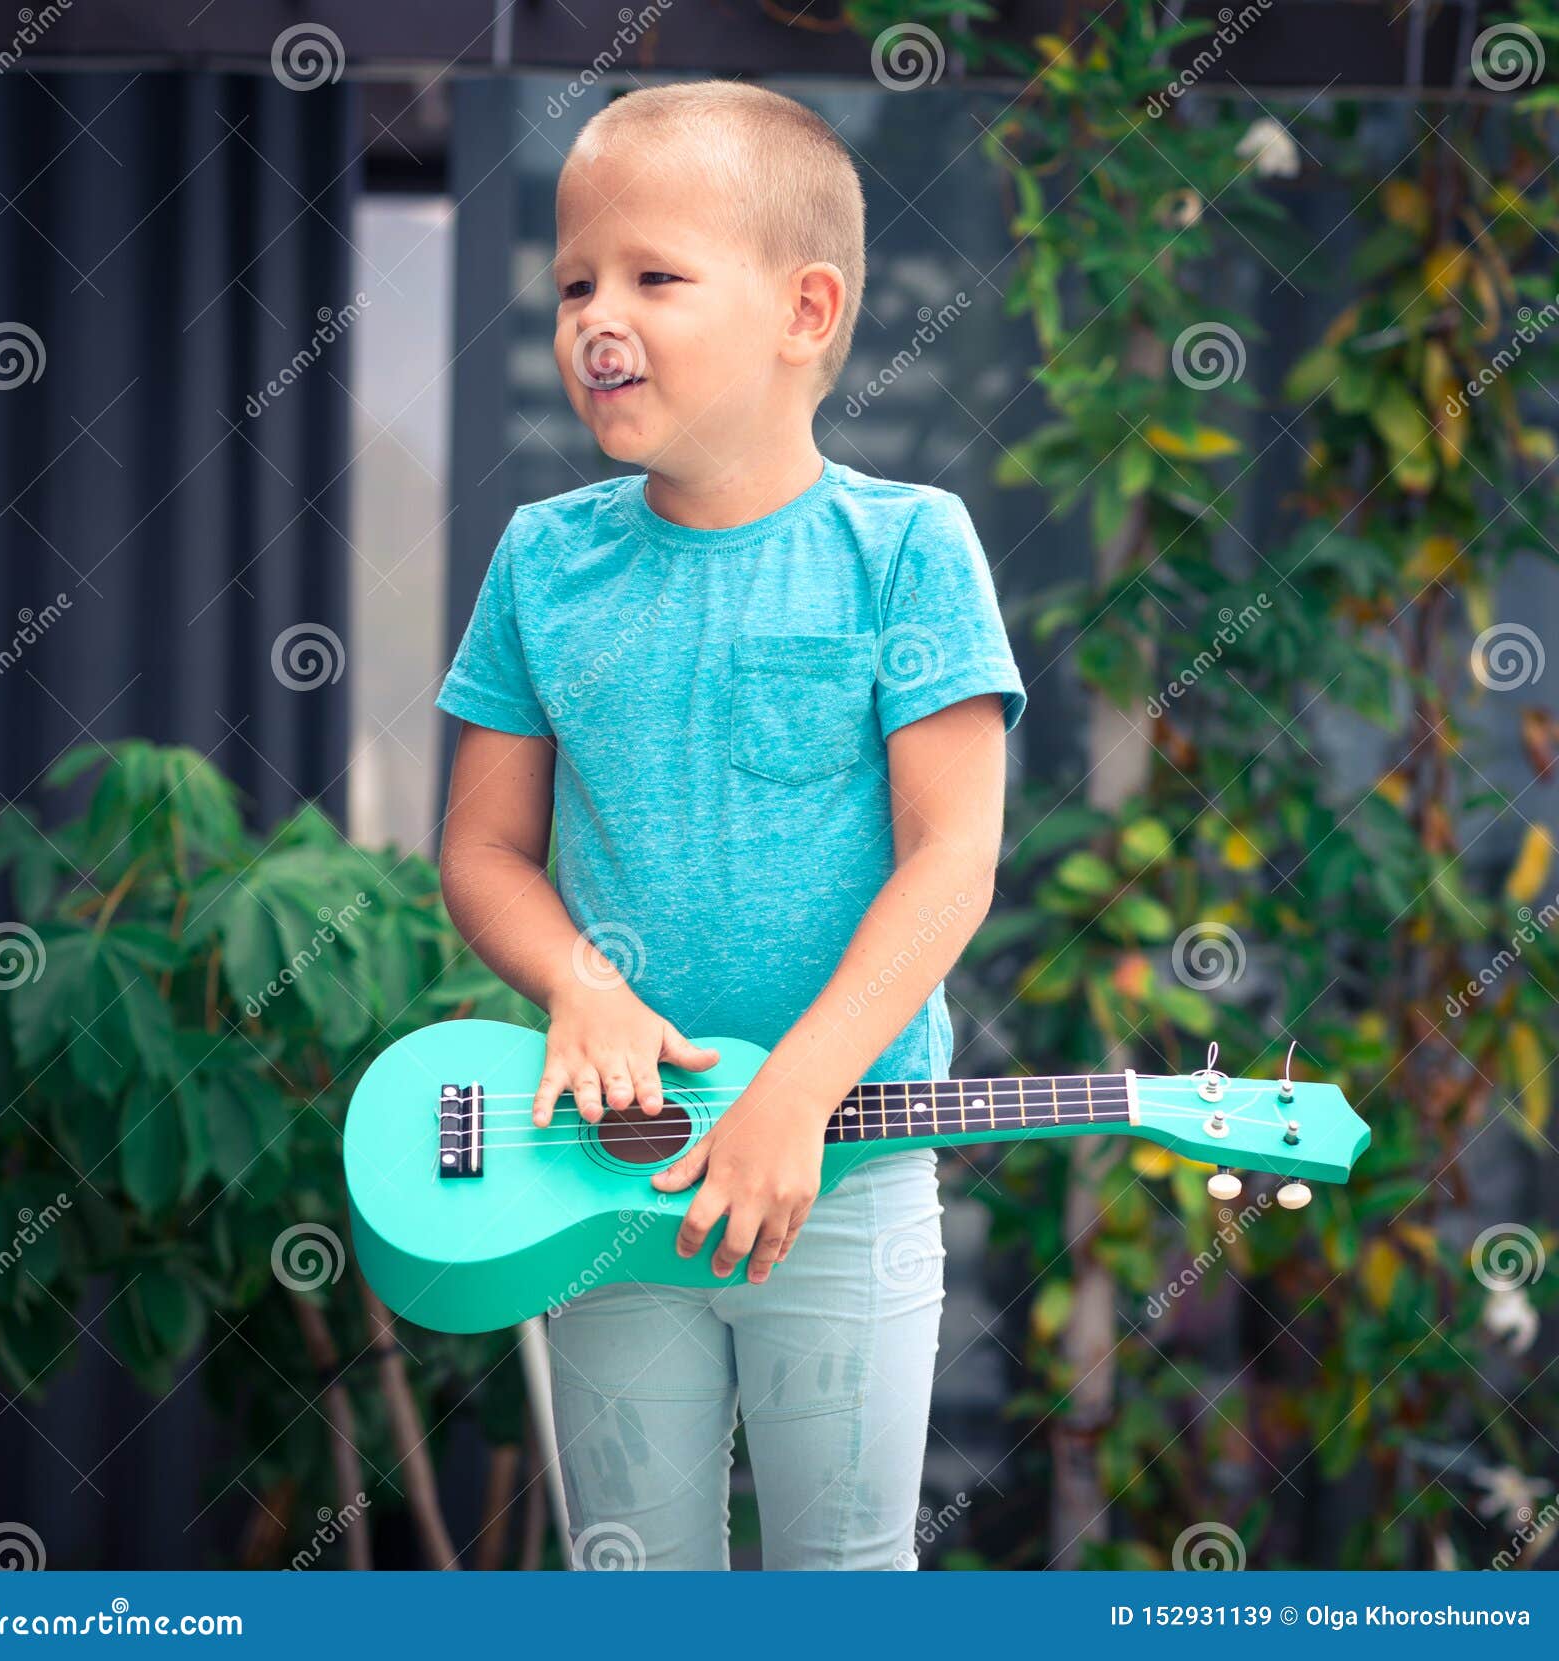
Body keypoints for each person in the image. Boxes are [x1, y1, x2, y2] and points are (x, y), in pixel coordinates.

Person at [434, 80, 1026, 1570]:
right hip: (605, 1169)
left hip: (848, 1166)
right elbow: (483, 850)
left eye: (653, 277)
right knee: (634, 1572)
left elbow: (953, 856)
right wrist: (579, 983)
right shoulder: (541, 561)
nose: (594, 317)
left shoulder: (907, 549)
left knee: (847, 1576)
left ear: (805, 309)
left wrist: (795, 1098)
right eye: (573, 281)